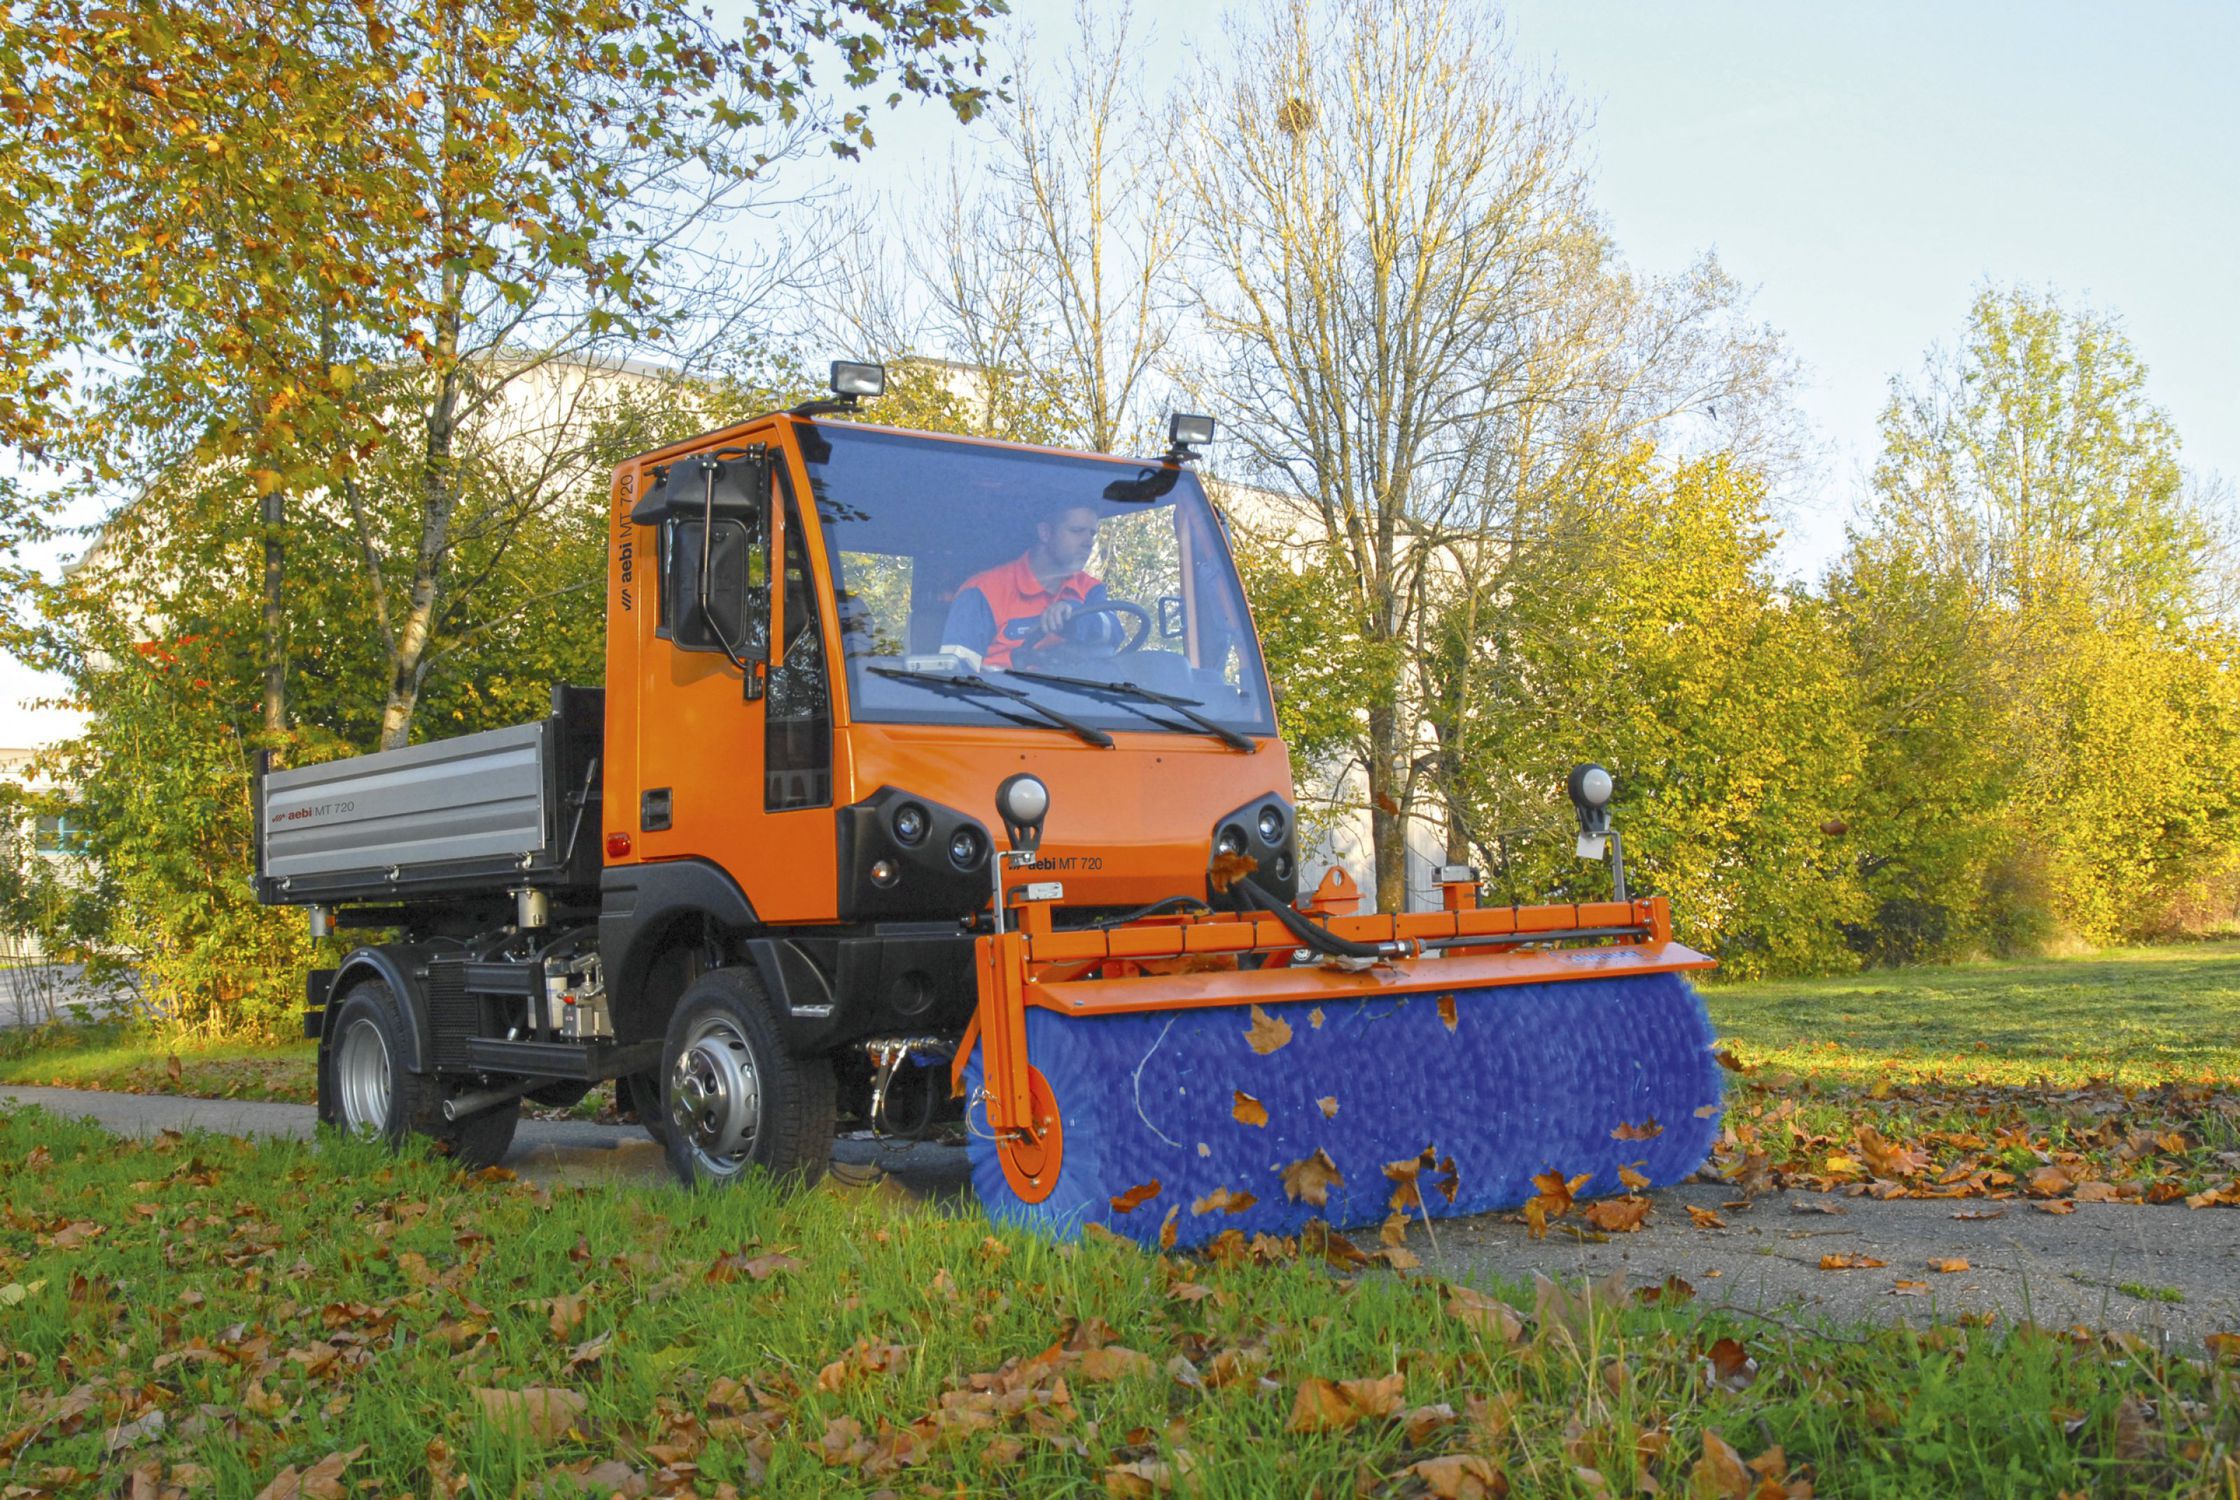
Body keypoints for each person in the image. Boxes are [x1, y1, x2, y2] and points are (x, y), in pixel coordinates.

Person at [939, 502, 1119, 670]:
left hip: (1075, 701)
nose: (1088, 542)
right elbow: (954, 678)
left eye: (1092, 533)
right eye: (1077, 530)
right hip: (1001, 701)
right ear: (1045, 533)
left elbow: (1116, 632)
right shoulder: (981, 592)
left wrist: (1075, 616)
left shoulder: (1089, 589)